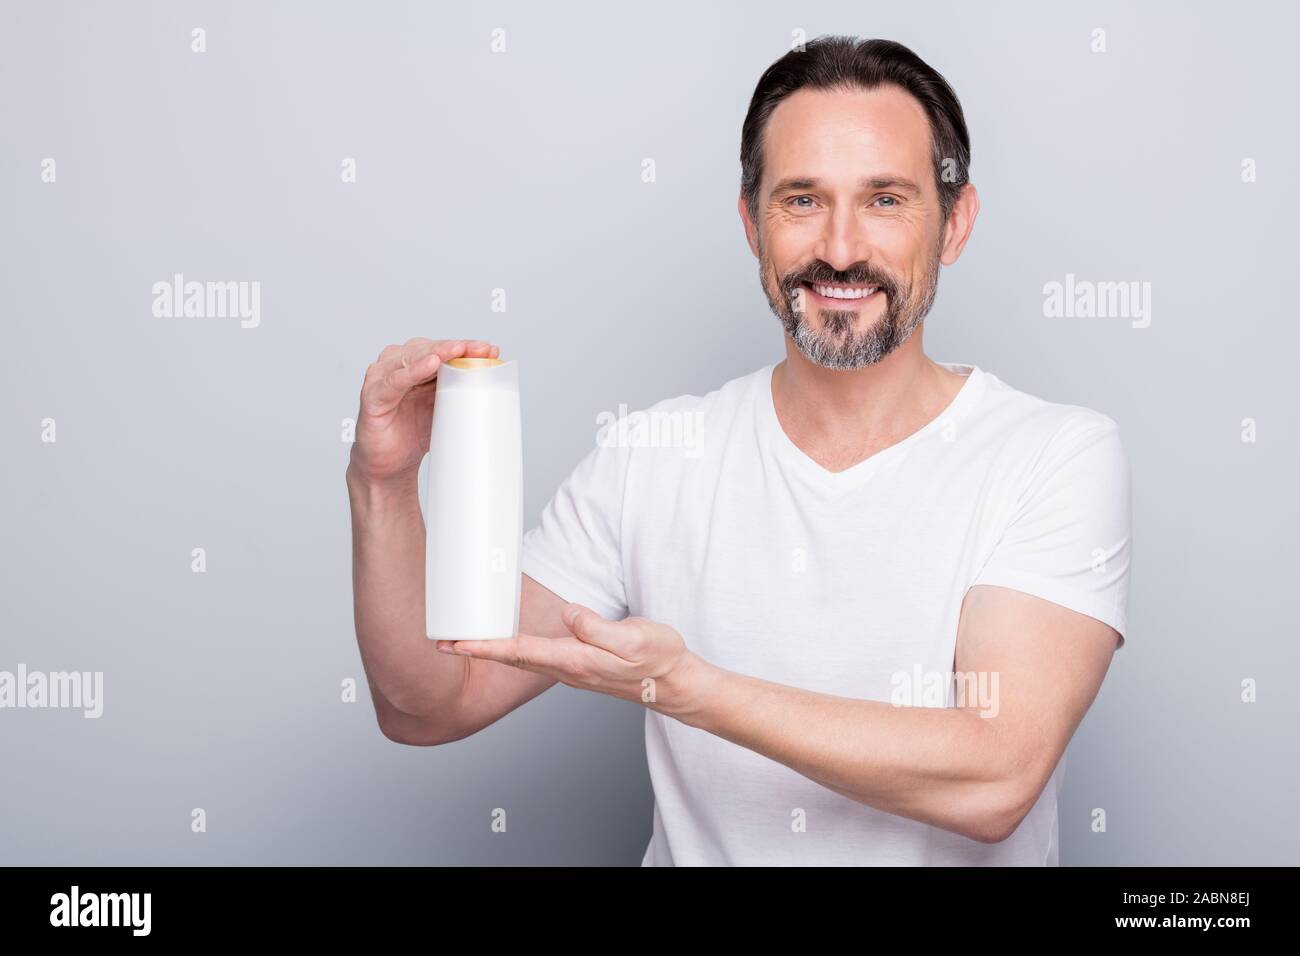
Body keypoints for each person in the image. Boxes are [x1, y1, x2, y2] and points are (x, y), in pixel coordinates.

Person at [345, 36, 1131, 866]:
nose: (839, 247)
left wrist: (690, 689)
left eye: (885, 200)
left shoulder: (1053, 455)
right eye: (801, 200)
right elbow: (426, 707)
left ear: (955, 222)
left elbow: (997, 777)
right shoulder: (653, 454)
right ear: (752, 222)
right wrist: (386, 482)